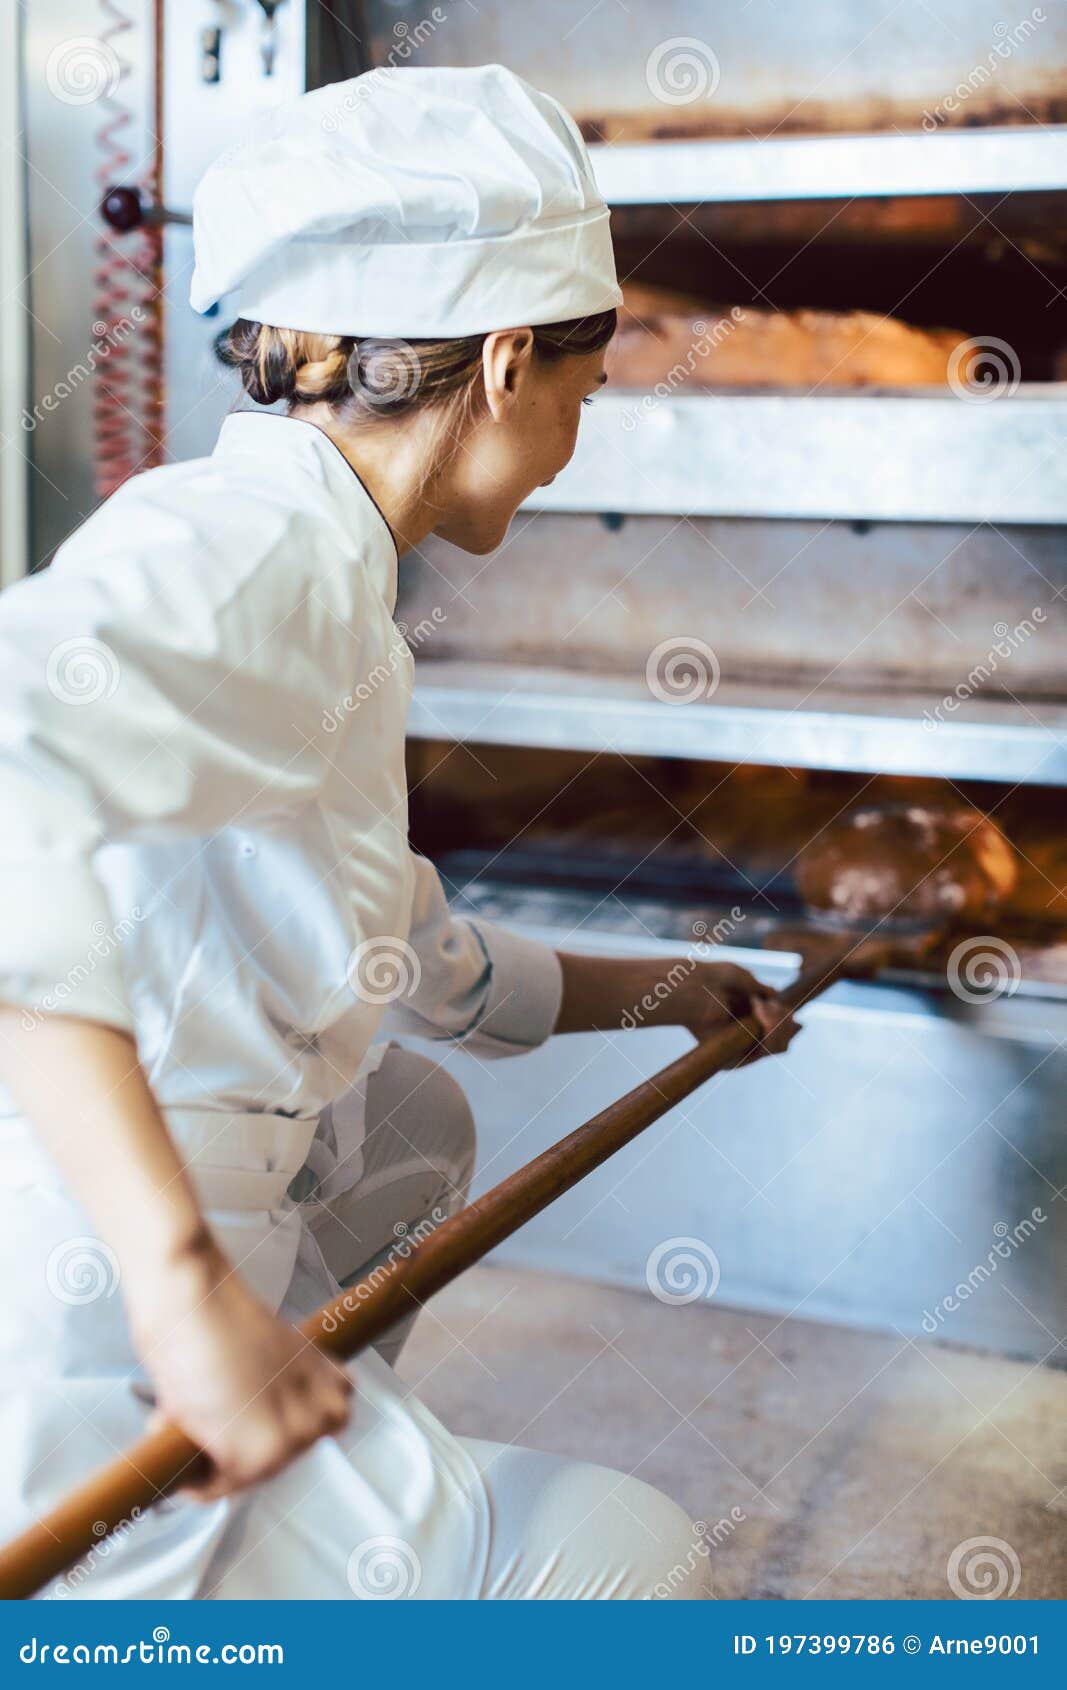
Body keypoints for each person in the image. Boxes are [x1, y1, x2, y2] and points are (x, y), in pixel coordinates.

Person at [0, 64, 796, 1600]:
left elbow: (410, 955)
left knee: (410, 1125)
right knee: (636, 1565)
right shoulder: (257, 560)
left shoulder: (322, 556)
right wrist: (182, 1302)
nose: (584, 421)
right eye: (590, 379)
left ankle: (318, 1501)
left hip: (155, 1199)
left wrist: (663, 987)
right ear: (504, 364)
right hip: (74, 1299)